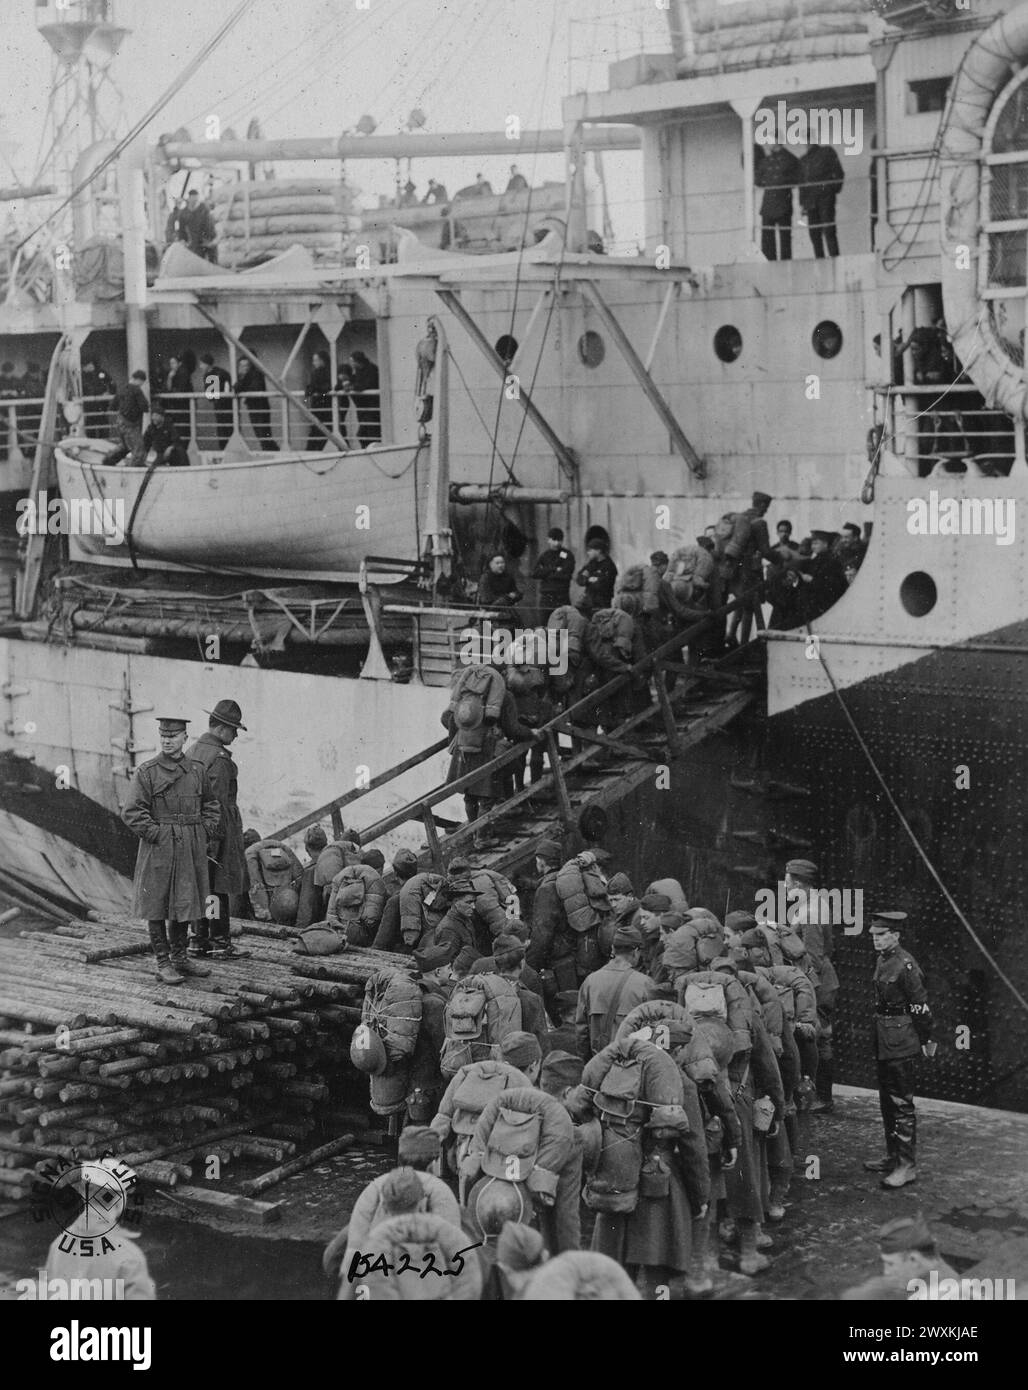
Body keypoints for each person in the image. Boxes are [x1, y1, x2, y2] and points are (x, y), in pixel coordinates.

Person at [121, 717, 220, 984]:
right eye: (163, 736)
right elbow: (132, 812)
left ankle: (180, 957)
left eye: (173, 736)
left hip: (189, 845)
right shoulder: (147, 772)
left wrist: (205, 831)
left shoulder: (197, 771)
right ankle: (163, 962)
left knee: (184, 900)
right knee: (157, 903)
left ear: (184, 738)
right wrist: (157, 834)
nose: (167, 740)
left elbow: (211, 805)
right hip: (160, 847)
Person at [863, 911, 935, 1189]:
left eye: (882, 935)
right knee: (887, 1101)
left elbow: (920, 1006)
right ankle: (893, 1157)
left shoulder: (906, 966)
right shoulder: (883, 961)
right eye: (874, 936)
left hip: (901, 1039)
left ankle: (907, 1166)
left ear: (896, 935)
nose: (876, 940)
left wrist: (928, 1041)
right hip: (885, 1038)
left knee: (902, 1104)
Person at [440, 661, 539, 846]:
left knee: (469, 793)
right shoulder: (504, 696)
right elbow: (513, 729)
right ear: (502, 675)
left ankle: (473, 829)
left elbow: (447, 718)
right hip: (486, 749)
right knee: (486, 796)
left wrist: (457, 738)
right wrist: (531, 733)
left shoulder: (466, 693)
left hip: (463, 749)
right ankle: (482, 837)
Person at [185, 700, 251, 960]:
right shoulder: (220, 760)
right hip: (215, 835)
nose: (235, 735)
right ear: (222, 728)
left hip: (193, 831)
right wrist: (214, 842)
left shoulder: (192, 751)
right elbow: (219, 805)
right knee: (216, 890)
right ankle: (219, 944)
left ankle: (197, 941)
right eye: (234, 729)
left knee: (201, 887)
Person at [575, 923, 657, 1059]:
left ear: (613, 949)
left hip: (600, 1062)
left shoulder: (590, 982)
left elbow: (581, 1031)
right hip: (632, 1066)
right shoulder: (645, 984)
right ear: (636, 951)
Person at [726, 489, 774, 648]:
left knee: (740, 604)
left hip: (735, 569)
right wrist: (781, 560)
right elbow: (766, 550)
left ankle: (731, 635)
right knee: (749, 608)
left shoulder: (742, 518)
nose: (766, 511)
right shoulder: (759, 522)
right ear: (761, 505)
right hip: (750, 570)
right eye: (766, 507)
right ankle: (743, 645)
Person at [798, 141, 844, 258]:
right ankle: (820, 263)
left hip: (825, 200)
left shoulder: (827, 152)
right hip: (811, 202)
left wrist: (831, 190)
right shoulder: (803, 160)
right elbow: (802, 184)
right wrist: (803, 204)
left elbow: (839, 173)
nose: (807, 141)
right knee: (814, 234)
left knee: (829, 231)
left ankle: (835, 262)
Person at [756, 142, 800, 261]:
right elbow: (758, 180)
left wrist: (781, 182)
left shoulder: (790, 159)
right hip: (769, 203)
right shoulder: (767, 160)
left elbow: (798, 178)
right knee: (767, 239)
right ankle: (769, 265)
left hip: (783, 202)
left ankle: (785, 265)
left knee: (785, 238)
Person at [796, 530, 848, 623]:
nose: (813, 546)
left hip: (825, 603)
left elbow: (834, 585)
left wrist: (811, 580)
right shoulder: (815, 560)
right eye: (812, 544)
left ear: (826, 544)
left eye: (816, 543)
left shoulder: (832, 561)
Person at [234, 358, 277, 452]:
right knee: (261, 434)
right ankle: (272, 451)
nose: (244, 368)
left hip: (260, 408)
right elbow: (237, 388)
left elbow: (253, 388)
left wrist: (243, 385)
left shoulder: (254, 374)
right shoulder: (244, 376)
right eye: (242, 366)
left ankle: (273, 452)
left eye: (246, 365)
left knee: (263, 434)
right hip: (254, 408)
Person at [107, 370, 149, 466]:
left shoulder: (122, 388)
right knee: (138, 449)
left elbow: (112, 406)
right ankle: (135, 470)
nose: (142, 384)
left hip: (121, 421)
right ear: (139, 380)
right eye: (142, 382)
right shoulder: (136, 390)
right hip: (131, 424)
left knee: (124, 446)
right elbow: (145, 407)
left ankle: (108, 461)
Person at [531, 527, 575, 617]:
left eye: (559, 540)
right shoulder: (544, 555)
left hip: (561, 596)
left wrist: (546, 574)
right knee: (544, 624)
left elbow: (565, 574)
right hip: (546, 597)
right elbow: (535, 573)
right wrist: (553, 569)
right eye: (554, 540)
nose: (556, 543)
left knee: (562, 626)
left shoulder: (567, 555)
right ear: (549, 540)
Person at [199, 352, 233, 450]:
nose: (200, 367)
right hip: (224, 405)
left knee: (223, 429)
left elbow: (211, 396)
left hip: (222, 406)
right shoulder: (220, 372)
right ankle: (225, 448)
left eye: (201, 364)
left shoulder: (211, 375)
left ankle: (225, 449)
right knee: (225, 429)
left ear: (207, 364)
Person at [574, 538, 618, 614]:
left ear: (598, 551)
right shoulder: (591, 564)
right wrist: (589, 580)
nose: (588, 553)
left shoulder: (609, 566)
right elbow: (579, 579)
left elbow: (602, 585)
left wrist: (590, 580)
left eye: (590, 550)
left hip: (602, 604)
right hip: (588, 603)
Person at [140, 402, 189, 468]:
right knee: (153, 467)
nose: (154, 418)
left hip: (172, 453)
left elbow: (176, 440)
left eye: (156, 416)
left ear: (162, 417)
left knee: (180, 451)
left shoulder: (169, 426)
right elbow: (146, 442)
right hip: (161, 454)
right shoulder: (151, 428)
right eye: (153, 415)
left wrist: (170, 448)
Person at [348, 350, 381, 446]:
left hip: (372, 406)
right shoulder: (358, 372)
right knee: (364, 434)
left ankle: (371, 451)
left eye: (352, 361)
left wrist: (354, 387)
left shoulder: (372, 369)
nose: (351, 364)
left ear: (357, 361)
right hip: (363, 407)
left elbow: (369, 384)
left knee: (369, 432)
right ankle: (366, 451)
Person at [477, 553, 523, 621]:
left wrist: (515, 595)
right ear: (490, 565)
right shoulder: (485, 578)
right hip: (488, 613)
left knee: (517, 623)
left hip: (505, 611)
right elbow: (486, 599)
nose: (500, 565)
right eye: (497, 563)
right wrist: (507, 597)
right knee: (487, 630)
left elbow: (516, 592)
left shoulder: (508, 577)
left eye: (502, 563)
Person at [178, 188, 218, 263]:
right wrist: (183, 240)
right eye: (193, 200)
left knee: (213, 261)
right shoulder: (184, 213)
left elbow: (210, 226)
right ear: (189, 199)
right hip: (195, 243)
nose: (194, 203)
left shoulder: (204, 209)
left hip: (208, 240)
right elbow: (181, 230)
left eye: (196, 201)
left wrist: (210, 240)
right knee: (198, 261)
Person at [305, 350, 333, 450]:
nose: (314, 363)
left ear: (322, 360)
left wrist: (314, 389)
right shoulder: (315, 373)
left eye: (316, 360)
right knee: (317, 429)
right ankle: (311, 450)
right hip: (318, 405)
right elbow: (311, 387)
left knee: (322, 429)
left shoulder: (330, 372)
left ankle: (311, 450)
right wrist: (310, 390)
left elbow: (328, 387)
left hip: (326, 405)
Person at [80, 359, 115, 438]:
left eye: (85, 366)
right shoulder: (82, 376)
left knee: (103, 425)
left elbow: (111, 383)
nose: (83, 368)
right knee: (90, 428)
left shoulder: (101, 373)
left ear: (91, 364)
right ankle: (91, 443)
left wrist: (109, 393)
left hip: (101, 405)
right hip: (88, 406)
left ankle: (105, 442)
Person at [163, 354, 193, 437]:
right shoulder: (172, 374)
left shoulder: (183, 372)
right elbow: (167, 389)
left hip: (183, 406)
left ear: (179, 363)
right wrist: (169, 378)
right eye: (170, 363)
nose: (172, 366)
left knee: (183, 429)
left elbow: (180, 389)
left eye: (173, 363)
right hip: (176, 407)